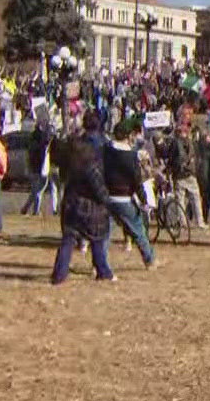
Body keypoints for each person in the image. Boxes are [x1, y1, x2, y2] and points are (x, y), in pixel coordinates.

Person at [50, 132, 117, 284]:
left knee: (68, 241)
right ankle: (103, 271)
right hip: (90, 209)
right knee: (98, 240)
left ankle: (59, 274)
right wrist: (108, 201)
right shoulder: (90, 165)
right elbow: (98, 188)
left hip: (70, 206)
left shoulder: (67, 165)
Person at [97, 114, 157, 266]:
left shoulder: (106, 150)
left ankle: (99, 264)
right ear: (129, 136)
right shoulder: (130, 156)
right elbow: (136, 181)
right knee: (138, 230)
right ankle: (149, 260)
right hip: (124, 198)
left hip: (106, 196)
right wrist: (144, 199)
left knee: (104, 235)